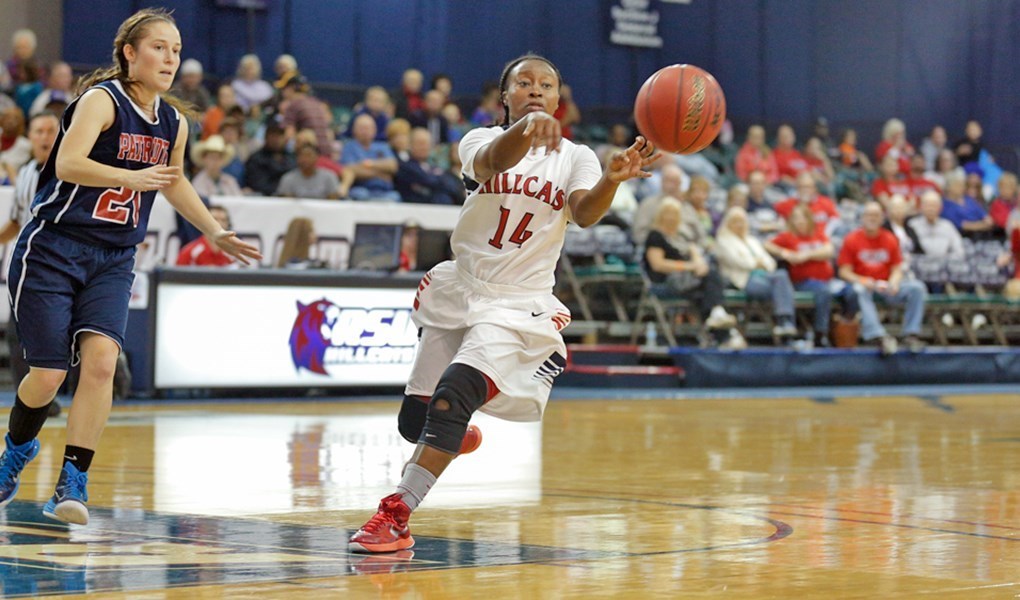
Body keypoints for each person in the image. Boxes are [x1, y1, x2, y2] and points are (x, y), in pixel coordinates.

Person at [347, 53, 657, 553]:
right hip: (464, 286)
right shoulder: (477, 141)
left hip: (518, 303)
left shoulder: (577, 156)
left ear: (559, 98)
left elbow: (583, 213)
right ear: (505, 96)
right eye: (525, 84)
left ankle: (396, 514)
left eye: (547, 85)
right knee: (415, 421)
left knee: (453, 394)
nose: (536, 90)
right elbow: (495, 163)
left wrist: (611, 182)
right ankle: (452, 430)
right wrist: (529, 128)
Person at [0, 8, 261, 526]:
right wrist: (131, 176)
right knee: (49, 374)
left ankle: (73, 479)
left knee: (100, 366)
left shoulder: (174, 122)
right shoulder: (101, 100)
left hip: (114, 257)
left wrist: (212, 229)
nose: (170, 58)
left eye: (177, 50)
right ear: (129, 53)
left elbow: (175, 180)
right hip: (54, 247)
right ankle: (16, 448)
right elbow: (70, 162)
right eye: (159, 47)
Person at [0, 111, 60, 416]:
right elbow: (16, 220)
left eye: (51, 130)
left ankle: (49, 394)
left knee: (55, 333)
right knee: (16, 333)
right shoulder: (24, 172)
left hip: (58, 265)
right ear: (30, 138)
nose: (45, 136)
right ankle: (30, 401)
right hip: (25, 264)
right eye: (38, 131)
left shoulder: (69, 170)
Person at [643, 198, 742, 349]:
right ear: (660, 215)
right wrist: (689, 266)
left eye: (674, 214)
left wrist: (699, 264)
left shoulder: (681, 238)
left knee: (705, 291)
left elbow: (696, 254)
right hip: (667, 281)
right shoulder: (655, 236)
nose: (671, 217)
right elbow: (657, 265)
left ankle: (718, 331)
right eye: (667, 213)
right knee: (712, 278)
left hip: (689, 281)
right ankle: (725, 331)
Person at [838, 202, 927, 354]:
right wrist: (863, 280)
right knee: (859, 289)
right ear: (862, 218)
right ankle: (877, 336)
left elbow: (897, 268)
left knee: (917, 288)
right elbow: (844, 272)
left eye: (876, 215)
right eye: (869, 215)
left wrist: (894, 282)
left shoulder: (890, 238)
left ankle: (911, 334)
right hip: (865, 286)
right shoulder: (852, 239)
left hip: (885, 285)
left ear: (882, 219)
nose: (872, 219)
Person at [766, 204, 856, 344]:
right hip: (802, 282)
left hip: (827, 280)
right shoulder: (787, 237)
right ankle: (821, 334)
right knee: (823, 292)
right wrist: (784, 253)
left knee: (851, 291)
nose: (800, 222)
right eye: (796, 218)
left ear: (809, 219)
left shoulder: (818, 234)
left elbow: (829, 251)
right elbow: (766, 245)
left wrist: (805, 255)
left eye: (803, 218)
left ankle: (844, 328)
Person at [714, 207, 798, 340]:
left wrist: (760, 264)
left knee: (782, 274)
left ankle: (786, 322)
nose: (740, 225)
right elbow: (737, 261)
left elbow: (770, 262)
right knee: (781, 287)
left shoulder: (752, 240)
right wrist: (756, 263)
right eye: (736, 221)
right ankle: (784, 322)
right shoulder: (723, 240)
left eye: (742, 221)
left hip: (765, 276)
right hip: (745, 280)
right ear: (728, 223)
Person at [339, 113, 400, 201]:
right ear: (354, 130)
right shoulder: (349, 147)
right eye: (362, 128)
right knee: (360, 194)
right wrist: (380, 173)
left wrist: (368, 164)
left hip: (385, 192)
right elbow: (350, 169)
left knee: (395, 196)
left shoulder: (383, 146)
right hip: (361, 189)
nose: (365, 131)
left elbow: (393, 166)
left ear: (374, 130)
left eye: (368, 128)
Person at [394, 127, 456, 204]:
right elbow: (428, 180)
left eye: (427, 144)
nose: (424, 147)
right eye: (420, 143)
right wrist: (439, 181)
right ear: (410, 145)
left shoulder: (435, 168)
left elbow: (452, 187)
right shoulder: (405, 166)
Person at [243, 123, 294, 196]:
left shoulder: (291, 157)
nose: (276, 140)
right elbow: (257, 184)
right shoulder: (256, 159)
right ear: (266, 138)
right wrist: (281, 191)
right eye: (273, 136)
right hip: (264, 200)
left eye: (280, 136)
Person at [276, 143, 340, 199]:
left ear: (316, 157)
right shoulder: (288, 179)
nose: (305, 159)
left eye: (308, 155)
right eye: (301, 156)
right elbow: (285, 203)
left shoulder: (329, 177)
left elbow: (333, 202)